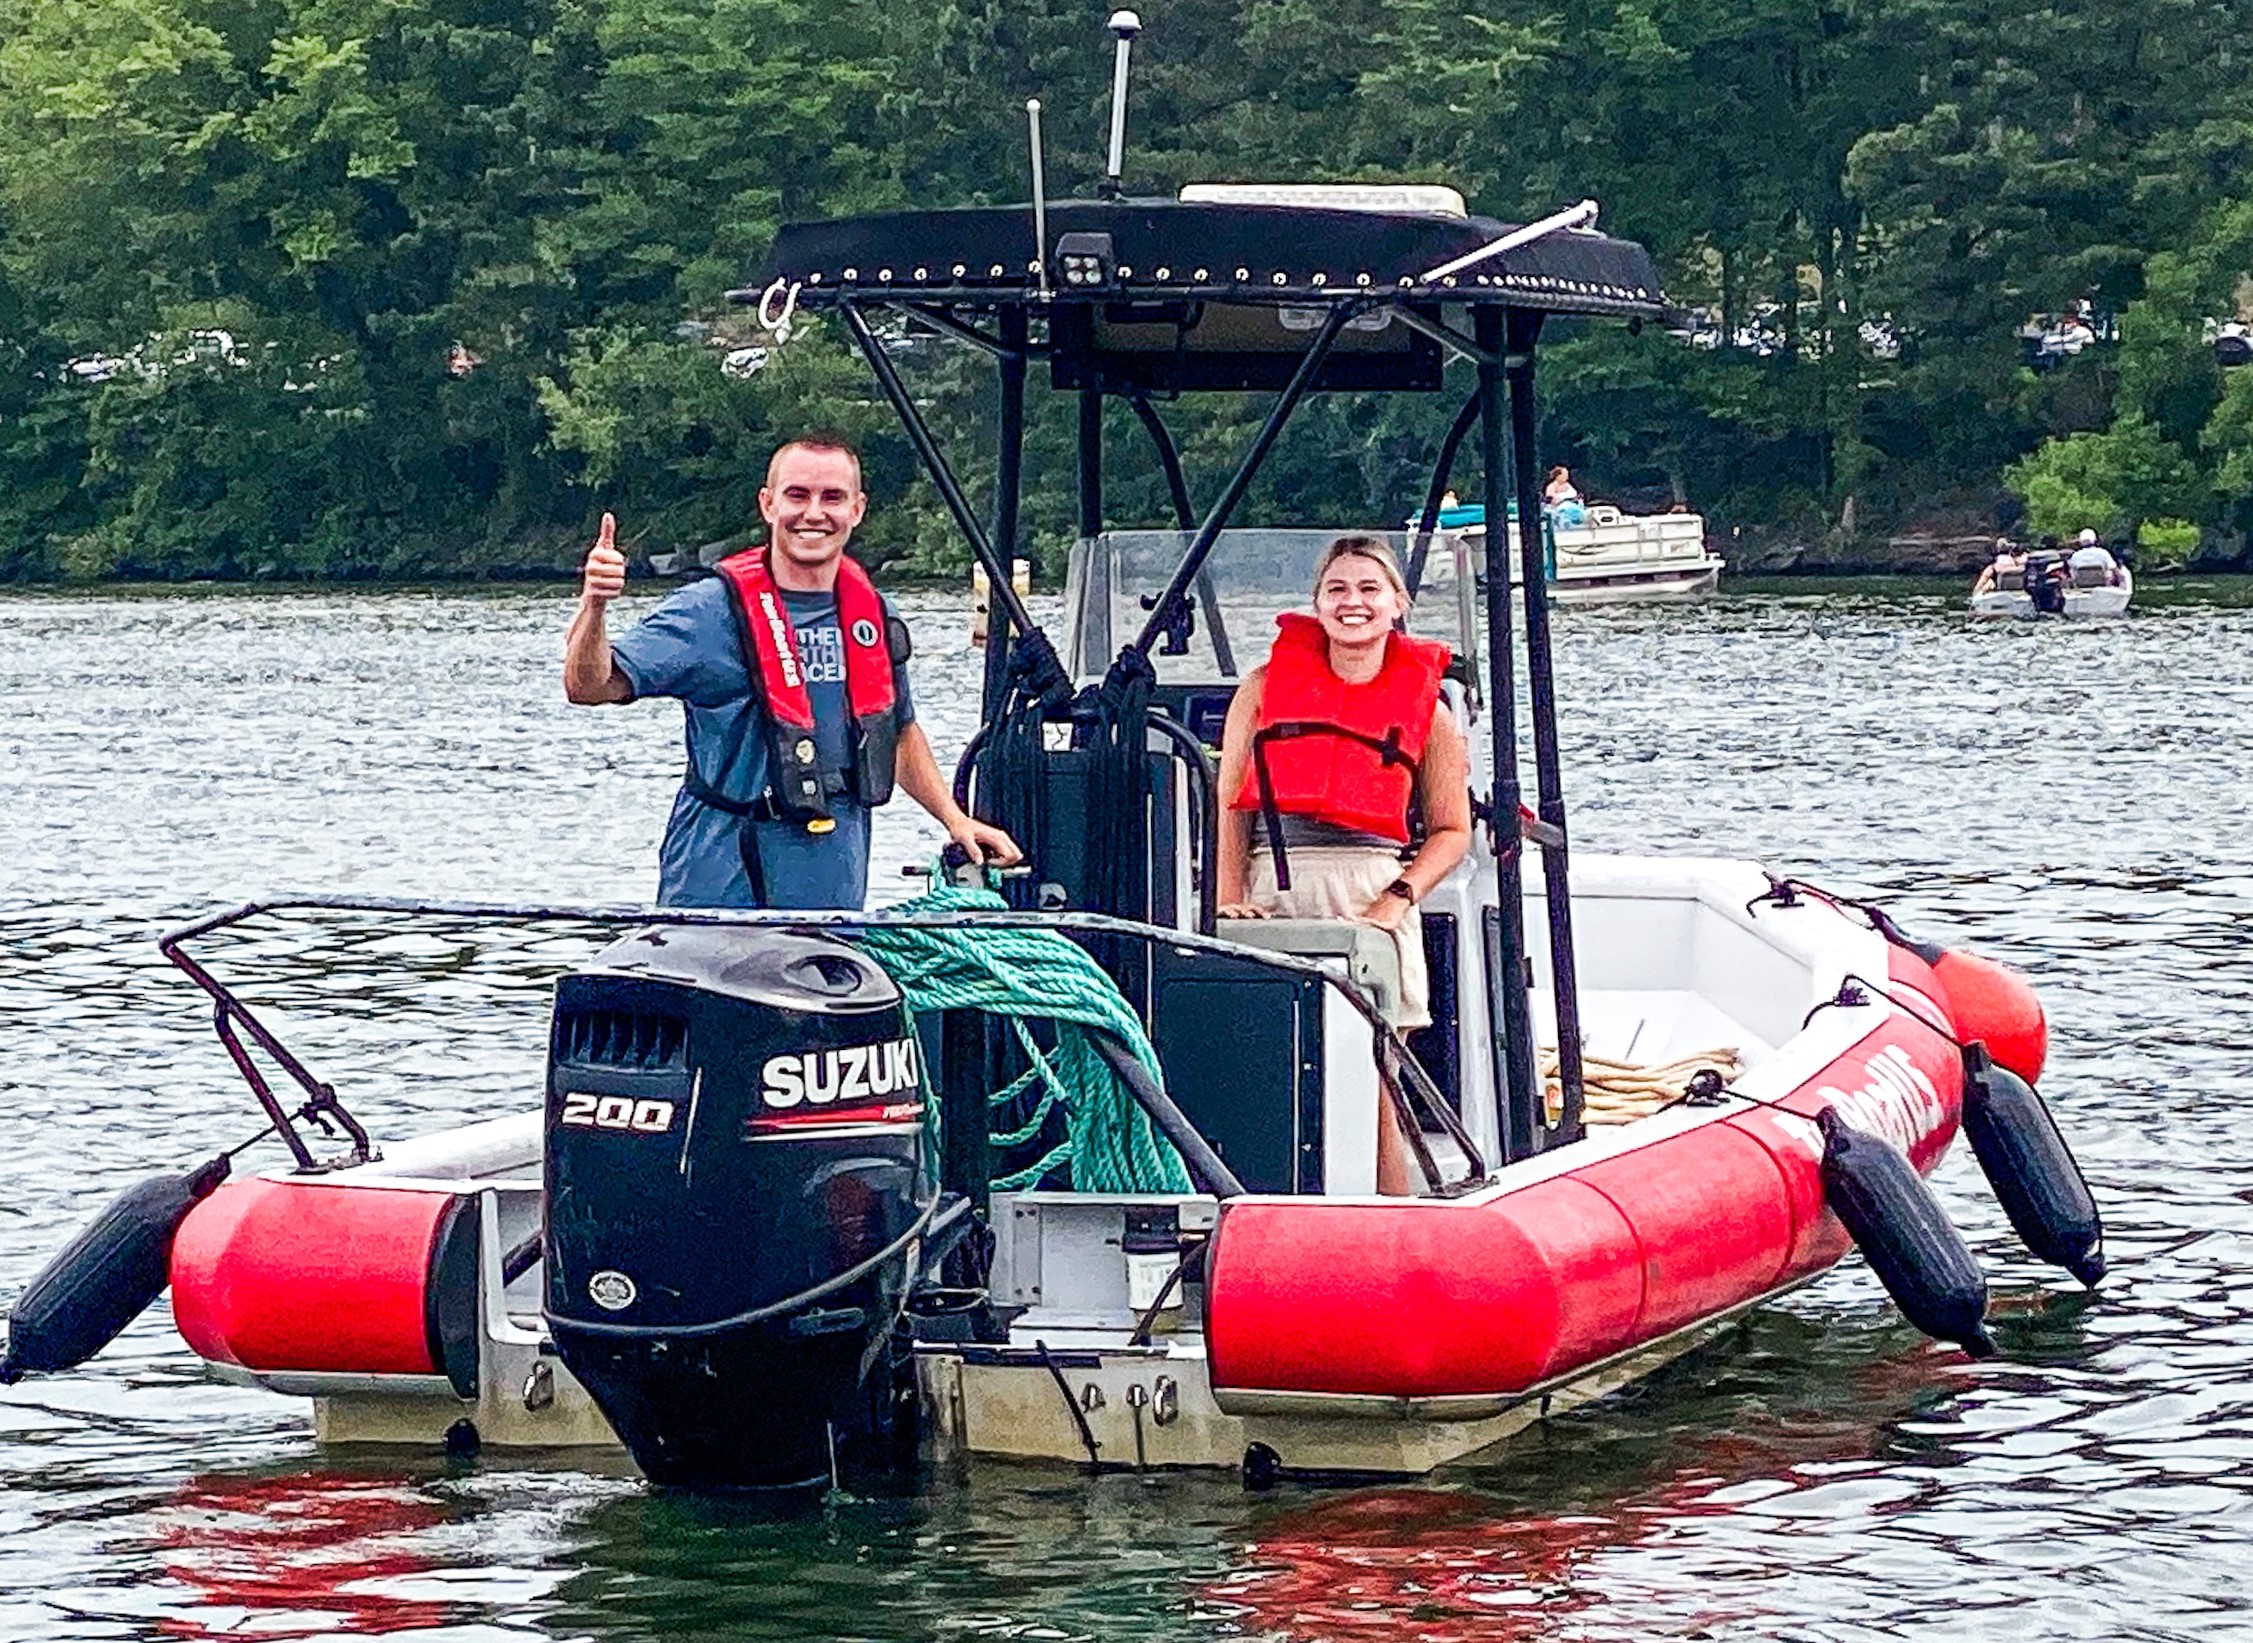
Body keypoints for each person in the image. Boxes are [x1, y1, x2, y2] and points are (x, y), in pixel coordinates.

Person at [565, 434, 1020, 908]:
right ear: (767, 504)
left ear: (857, 509)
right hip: (721, 891)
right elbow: (588, 685)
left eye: (832, 498)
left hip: (834, 890)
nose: (814, 514)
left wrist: (954, 819)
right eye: (797, 495)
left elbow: (898, 733)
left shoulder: (871, 613)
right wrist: (594, 604)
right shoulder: (708, 611)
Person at [1213, 534, 1473, 1194]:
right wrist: (1228, 893)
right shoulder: (1263, 687)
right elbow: (1229, 804)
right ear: (1316, 602)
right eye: (1337, 589)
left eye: (1367, 589)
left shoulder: (1431, 709)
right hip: (1278, 888)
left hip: (1371, 889)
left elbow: (1451, 831)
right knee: (1266, 1065)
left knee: (1373, 1074)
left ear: (1396, 603)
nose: (1351, 602)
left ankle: (1392, 1217)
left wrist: (1396, 899)